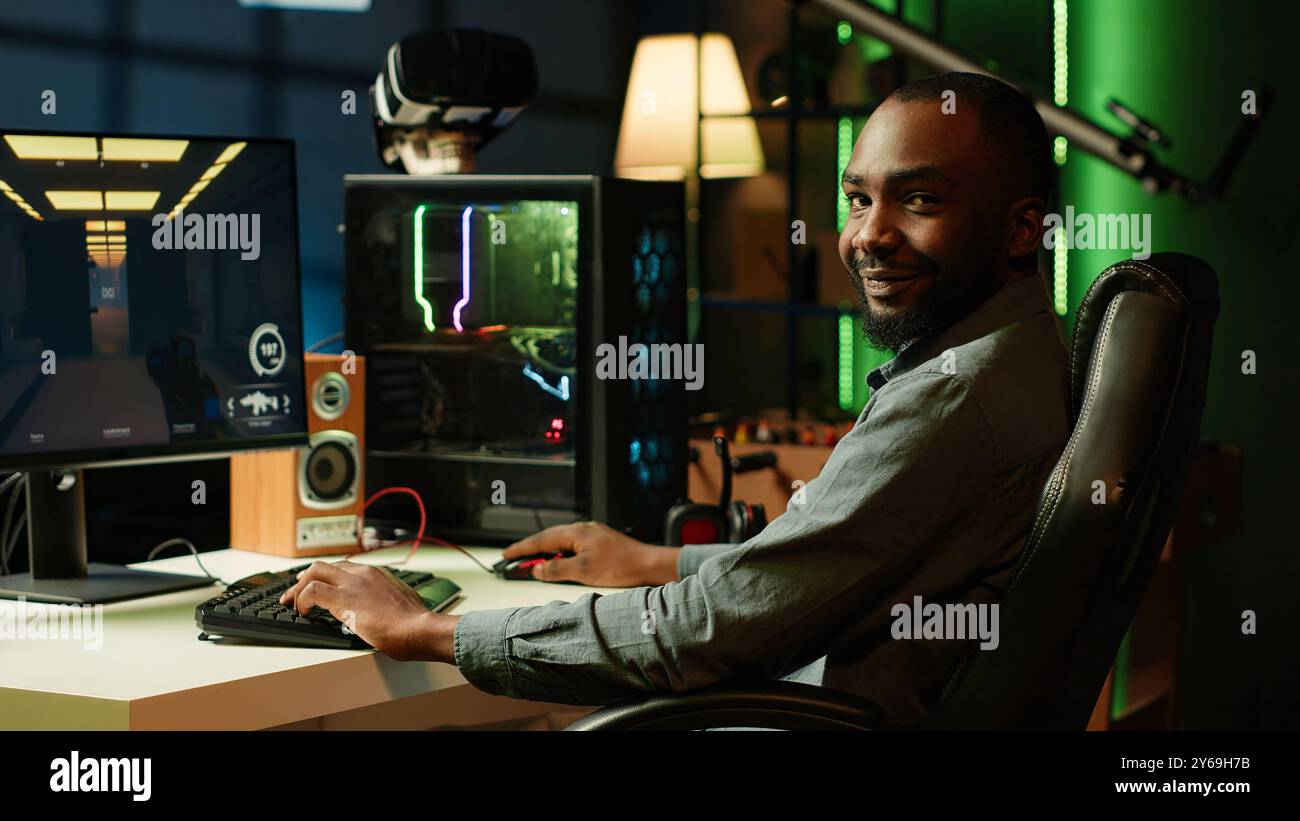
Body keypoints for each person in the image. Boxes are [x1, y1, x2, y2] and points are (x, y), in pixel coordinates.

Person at [281, 71, 1071, 729]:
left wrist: (432, 629)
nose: (868, 234)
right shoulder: (1023, 355)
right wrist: (656, 560)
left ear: (1021, 228)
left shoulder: (953, 398)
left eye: (919, 201)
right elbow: (830, 565)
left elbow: (702, 635)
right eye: (858, 198)